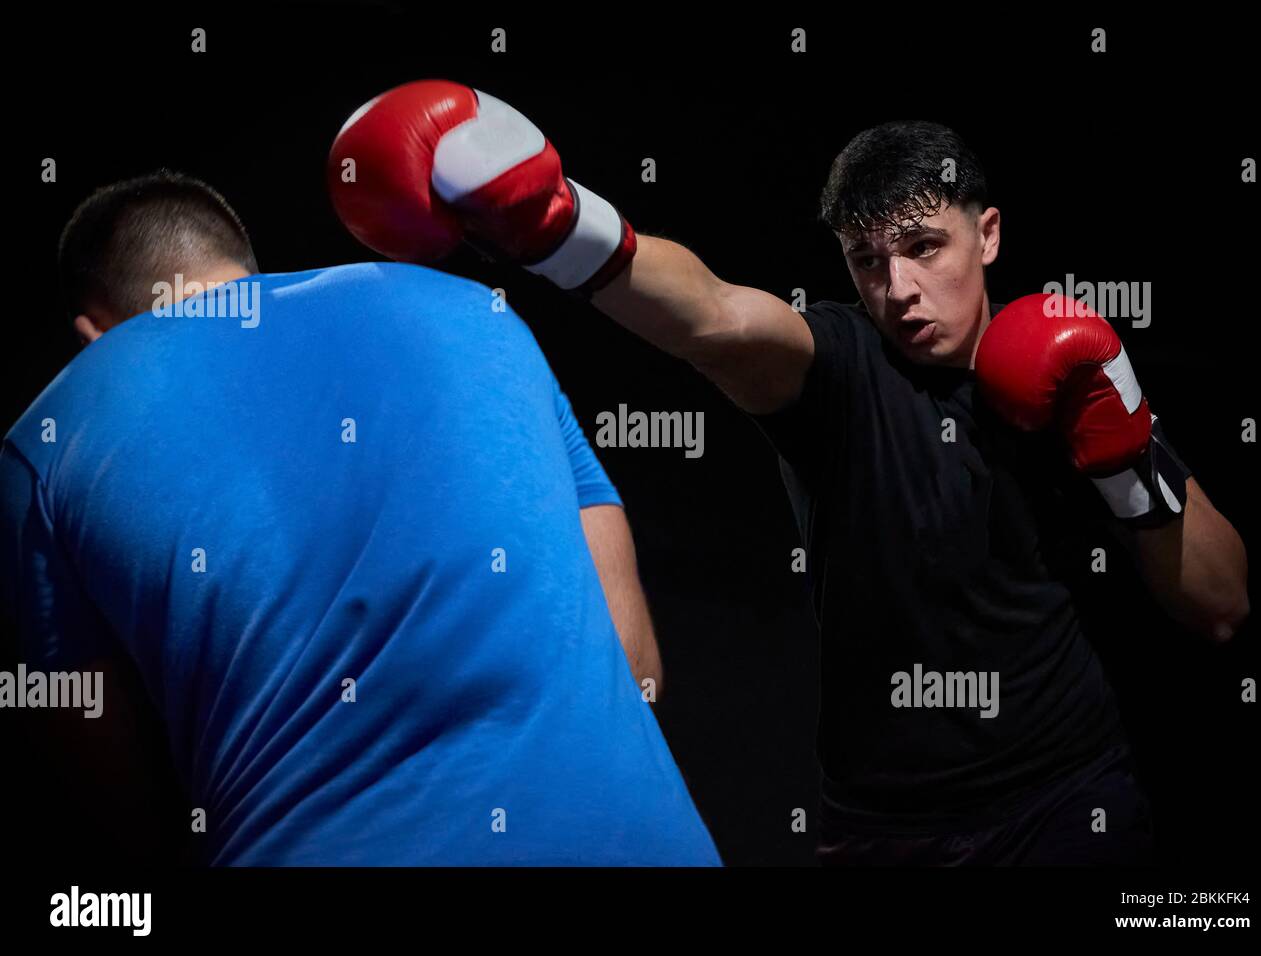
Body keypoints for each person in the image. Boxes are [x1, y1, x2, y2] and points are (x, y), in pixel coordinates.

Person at [329, 81, 1251, 865]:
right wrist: (551, 221)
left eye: (925, 248)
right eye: (867, 261)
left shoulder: (1077, 370)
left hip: (1071, 803)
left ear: (990, 235)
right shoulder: (842, 368)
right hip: (884, 831)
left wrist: (1126, 460)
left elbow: (1221, 605)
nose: (898, 288)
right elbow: (714, 317)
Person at [0, 170, 721, 866]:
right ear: (246, 266)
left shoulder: (50, 433)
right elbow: (634, 666)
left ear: (95, 332)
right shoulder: (476, 311)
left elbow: (113, 807)